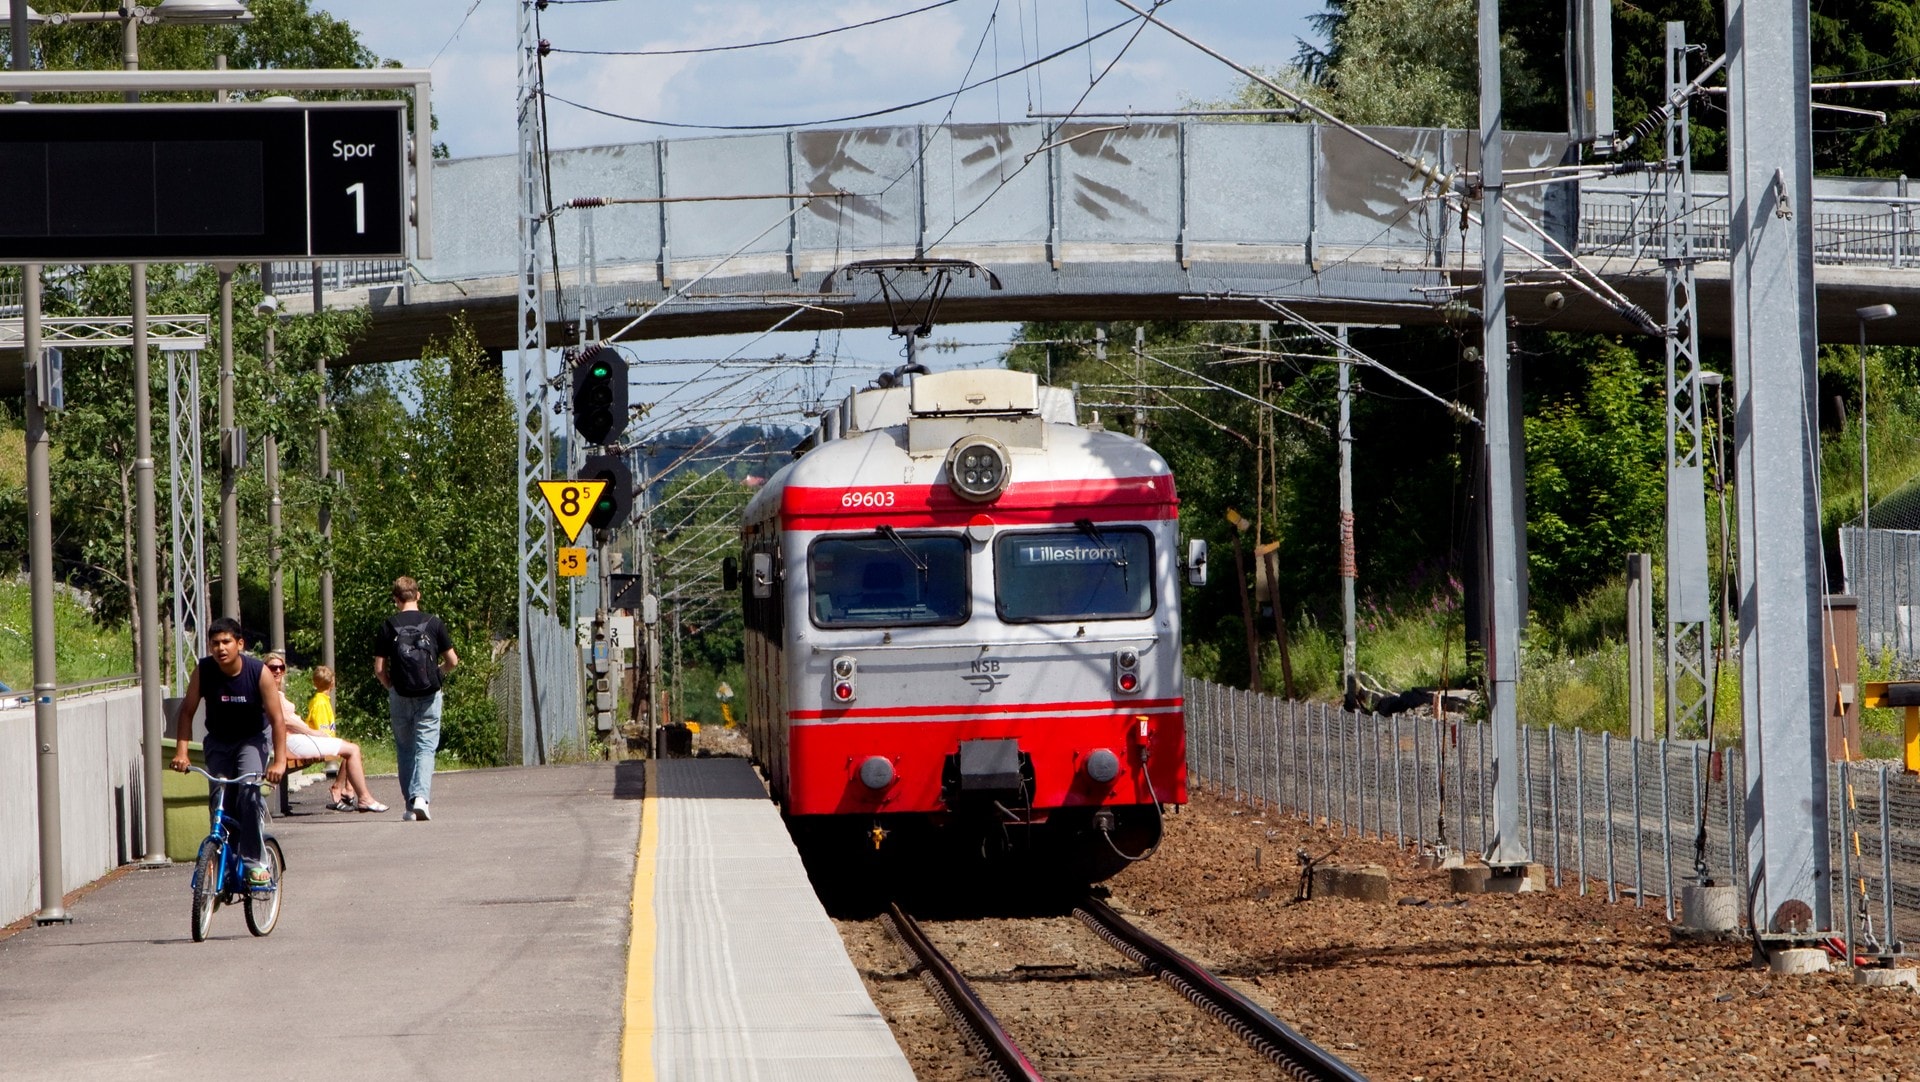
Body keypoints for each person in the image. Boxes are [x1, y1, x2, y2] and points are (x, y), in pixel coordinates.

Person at [170, 617, 289, 888]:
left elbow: (278, 720)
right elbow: (187, 711)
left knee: (248, 793)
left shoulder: (258, 672)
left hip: (251, 741)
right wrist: (182, 752)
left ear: (240, 644)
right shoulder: (205, 670)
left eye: (226, 642)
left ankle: (253, 862)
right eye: (215, 643)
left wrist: (280, 761)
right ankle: (221, 861)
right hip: (219, 742)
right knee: (220, 798)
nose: (221, 648)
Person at [375, 576, 457, 822]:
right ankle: (421, 797)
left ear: (396, 599)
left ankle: (411, 805)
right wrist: (437, 674)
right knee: (425, 747)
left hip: (400, 694)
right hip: (429, 694)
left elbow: (379, 669)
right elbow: (452, 661)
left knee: (405, 748)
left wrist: (392, 686)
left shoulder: (388, 626)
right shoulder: (434, 623)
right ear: (418, 595)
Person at [263, 652, 387, 814]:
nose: (278, 671)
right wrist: (313, 732)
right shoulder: (268, 692)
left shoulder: (277, 692)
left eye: (281, 667)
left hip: (295, 739)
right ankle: (363, 798)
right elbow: (284, 720)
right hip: (289, 741)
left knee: (351, 748)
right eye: (273, 667)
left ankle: (349, 791)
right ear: (264, 670)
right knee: (352, 749)